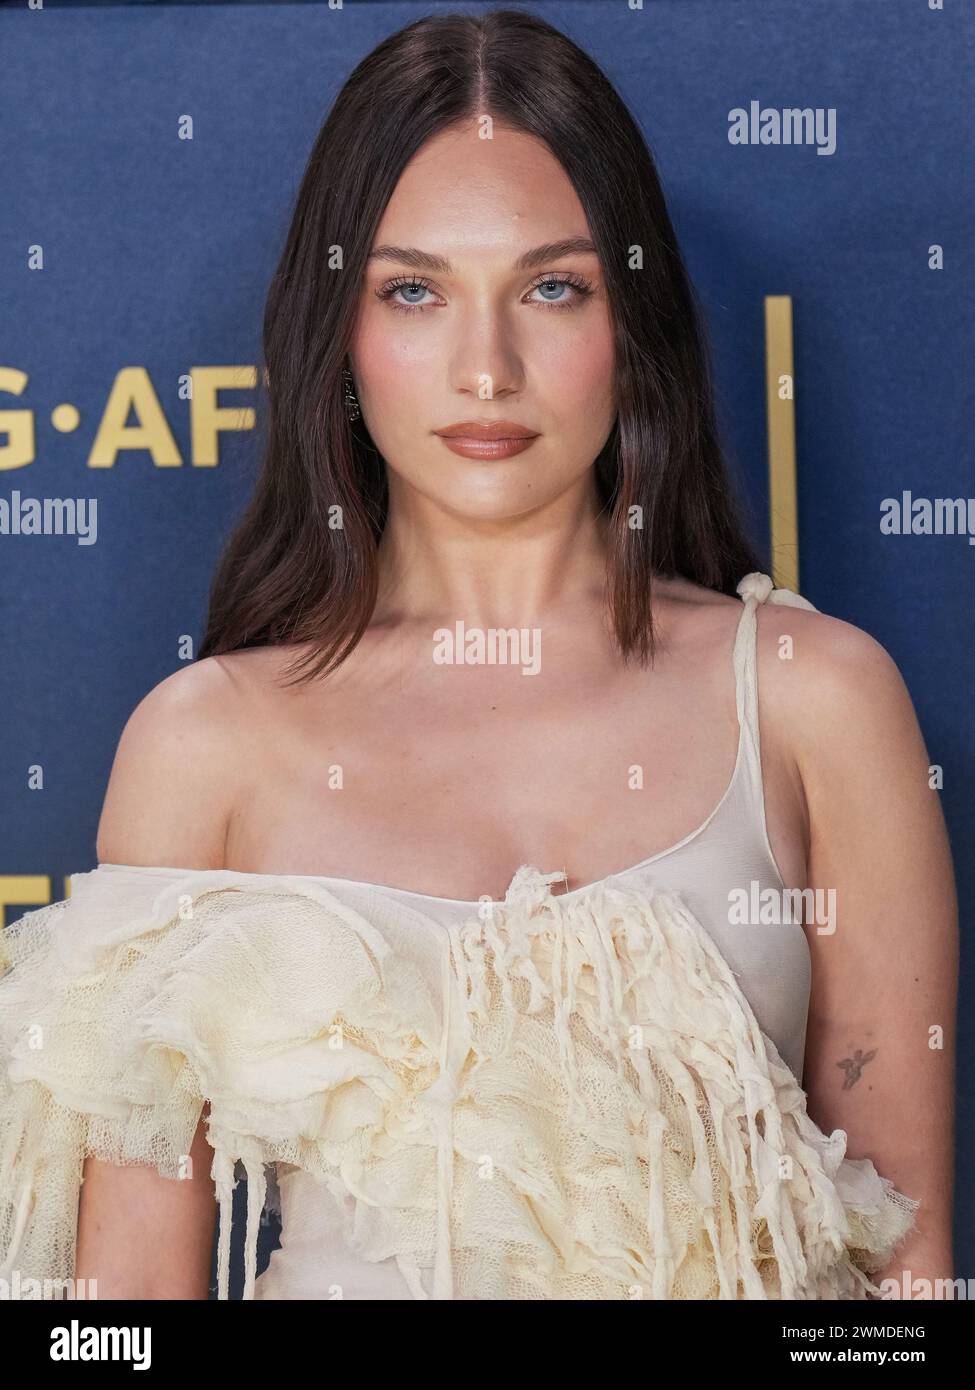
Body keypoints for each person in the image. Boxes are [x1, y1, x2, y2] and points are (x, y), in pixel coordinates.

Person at [0, 9, 956, 1300]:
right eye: (414, 291)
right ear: (338, 334)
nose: (486, 367)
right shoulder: (203, 742)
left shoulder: (812, 696)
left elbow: (904, 1266)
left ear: (635, 321)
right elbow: (119, 1320)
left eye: (551, 287)